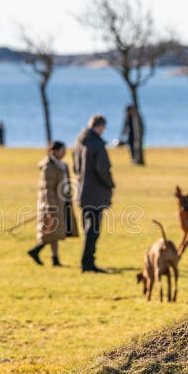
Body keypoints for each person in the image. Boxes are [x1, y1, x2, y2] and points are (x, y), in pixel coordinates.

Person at [72, 115, 115, 273]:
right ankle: (88, 262)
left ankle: (87, 261)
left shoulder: (79, 142)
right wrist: (110, 184)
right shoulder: (96, 144)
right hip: (96, 192)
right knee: (94, 229)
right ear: (100, 126)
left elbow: (75, 167)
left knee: (87, 228)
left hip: (82, 190)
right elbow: (102, 169)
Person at [27, 141, 79, 266]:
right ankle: (36, 251)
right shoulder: (48, 166)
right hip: (52, 204)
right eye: (62, 150)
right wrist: (50, 207)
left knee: (56, 232)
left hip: (62, 202)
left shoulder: (63, 165)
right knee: (51, 232)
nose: (64, 153)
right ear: (54, 151)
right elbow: (47, 189)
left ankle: (54, 258)